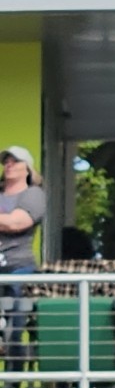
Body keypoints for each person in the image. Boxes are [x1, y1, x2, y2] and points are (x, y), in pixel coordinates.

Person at [0, 146, 47, 376]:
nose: (9, 164)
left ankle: (12, 382)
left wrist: (6, 220)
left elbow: (16, 223)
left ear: (27, 167)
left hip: (19, 268)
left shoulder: (33, 194)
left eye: (15, 161)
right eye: (6, 161)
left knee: (14, 329)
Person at [27, 226, 115, 298]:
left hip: (53, 329)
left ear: (60, 248)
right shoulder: (108, 269)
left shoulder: (44, 272)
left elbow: (34, 316)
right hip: (98, 329)